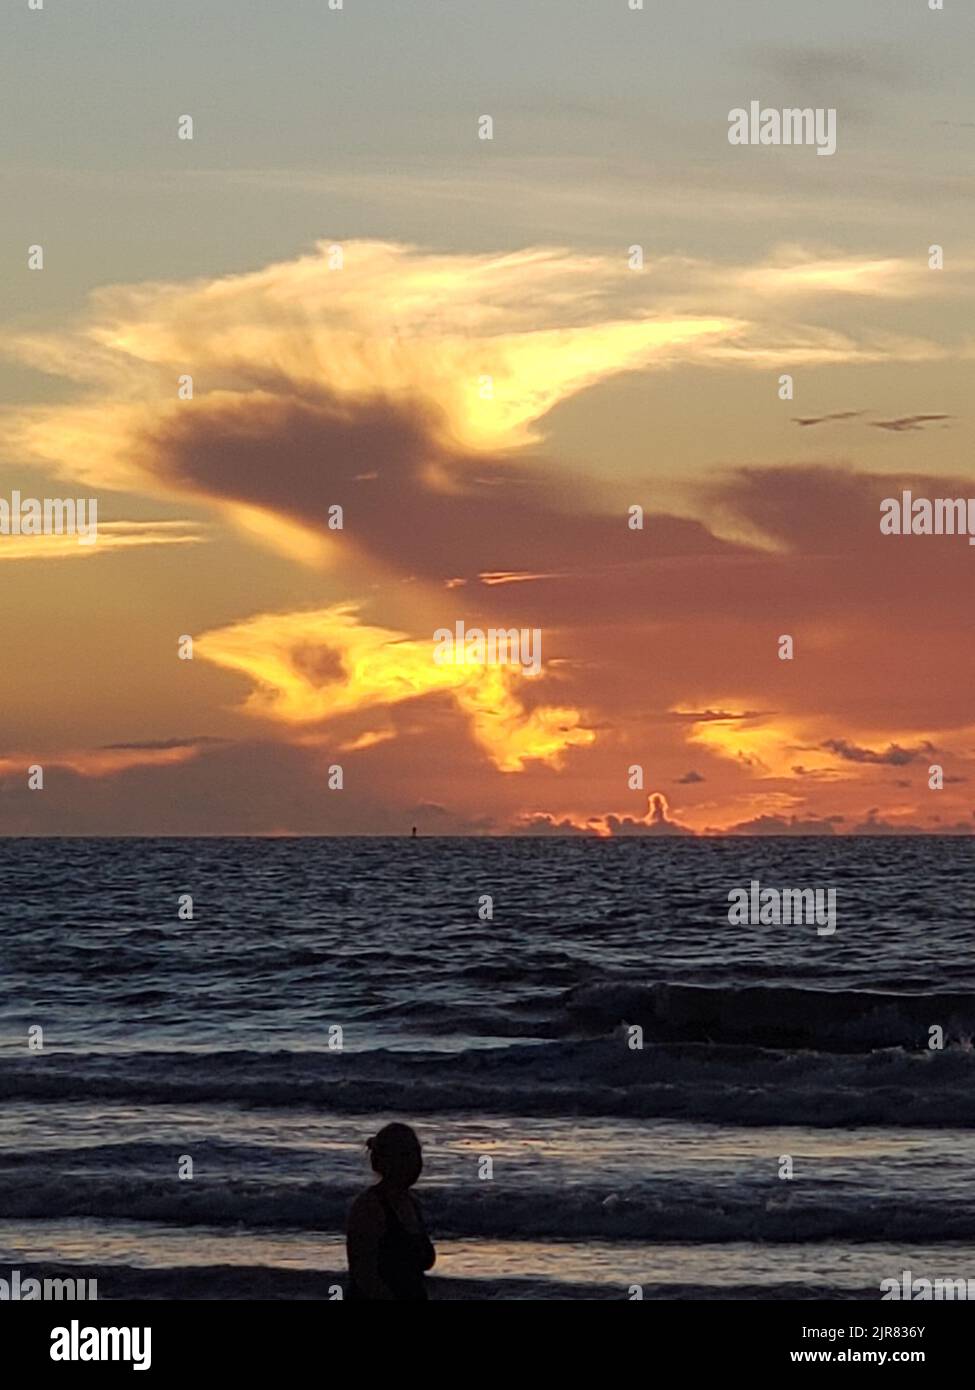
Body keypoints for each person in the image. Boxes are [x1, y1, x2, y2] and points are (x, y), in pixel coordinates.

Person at [346, 1123, 436, 1300]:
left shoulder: (412, 1204)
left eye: (417, 1154)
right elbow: (364, 1275)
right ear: (387, 1161)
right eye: (406, 1155)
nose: (416, 1162)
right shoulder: (369, 1206)